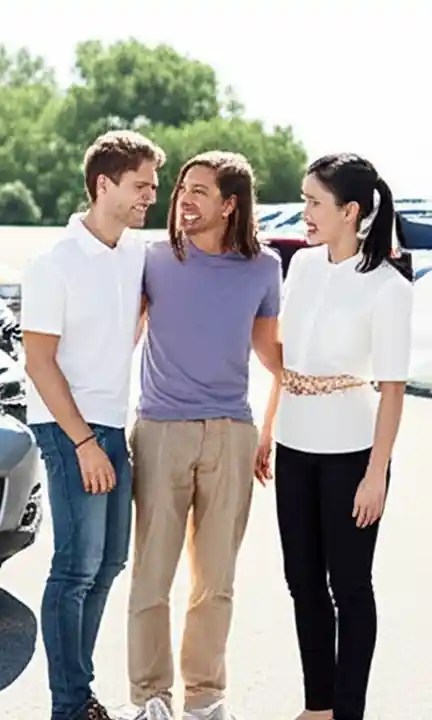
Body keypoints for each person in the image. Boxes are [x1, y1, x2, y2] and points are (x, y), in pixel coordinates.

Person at [118, 151, 282, 720]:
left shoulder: (263, 268)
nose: (183, 200)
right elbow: (124, 338)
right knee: (152, 576)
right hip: (161, 428)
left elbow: (271, 355)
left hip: (231, 433)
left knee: (217, 581)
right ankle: (149, 697)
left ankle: (205, 698)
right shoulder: (154, 260)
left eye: (200, 191)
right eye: (181, 188)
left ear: (231, 204)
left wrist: (292, 413)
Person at [256, 153, 413, 720]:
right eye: (303, 201)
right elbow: (288, 361)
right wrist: (268, 427)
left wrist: (376, 474)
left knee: (349, 587)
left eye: (314, 202)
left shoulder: (389, 286)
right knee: (302, 582)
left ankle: (348, 711)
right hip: (296, 447)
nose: (305, 213)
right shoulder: (300, 267)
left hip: (352, 456)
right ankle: (317, 707)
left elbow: (392, 391)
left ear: (351, 211)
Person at [22, 129, 165, 720]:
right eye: (140, 186)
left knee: (108, 565)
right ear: (103, 184)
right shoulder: (52, 263)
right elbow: (37, 360)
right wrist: (82, 441)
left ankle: (81, 696)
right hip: (69, 430)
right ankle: (70, 704)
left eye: (154, 187)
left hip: (114, 424)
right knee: (75, 568)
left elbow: (136, 320)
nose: (150, 198)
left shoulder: (137, 256)